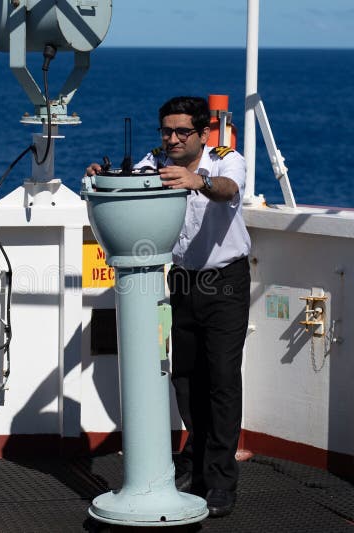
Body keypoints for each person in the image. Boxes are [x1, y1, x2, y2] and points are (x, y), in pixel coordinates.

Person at [85, 95, 251, 518]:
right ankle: (194, 467)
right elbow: (129, 179)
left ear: (203, 133)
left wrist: (199, 182)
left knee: (222, 380)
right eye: (166, 131)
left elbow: (229, 190)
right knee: (185, 378)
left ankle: (220, 479)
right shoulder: (155, 160)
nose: (172, 139)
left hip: (225, 282)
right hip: (180, 281)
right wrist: (104, 174)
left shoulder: (226, 160)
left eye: (182, 132)